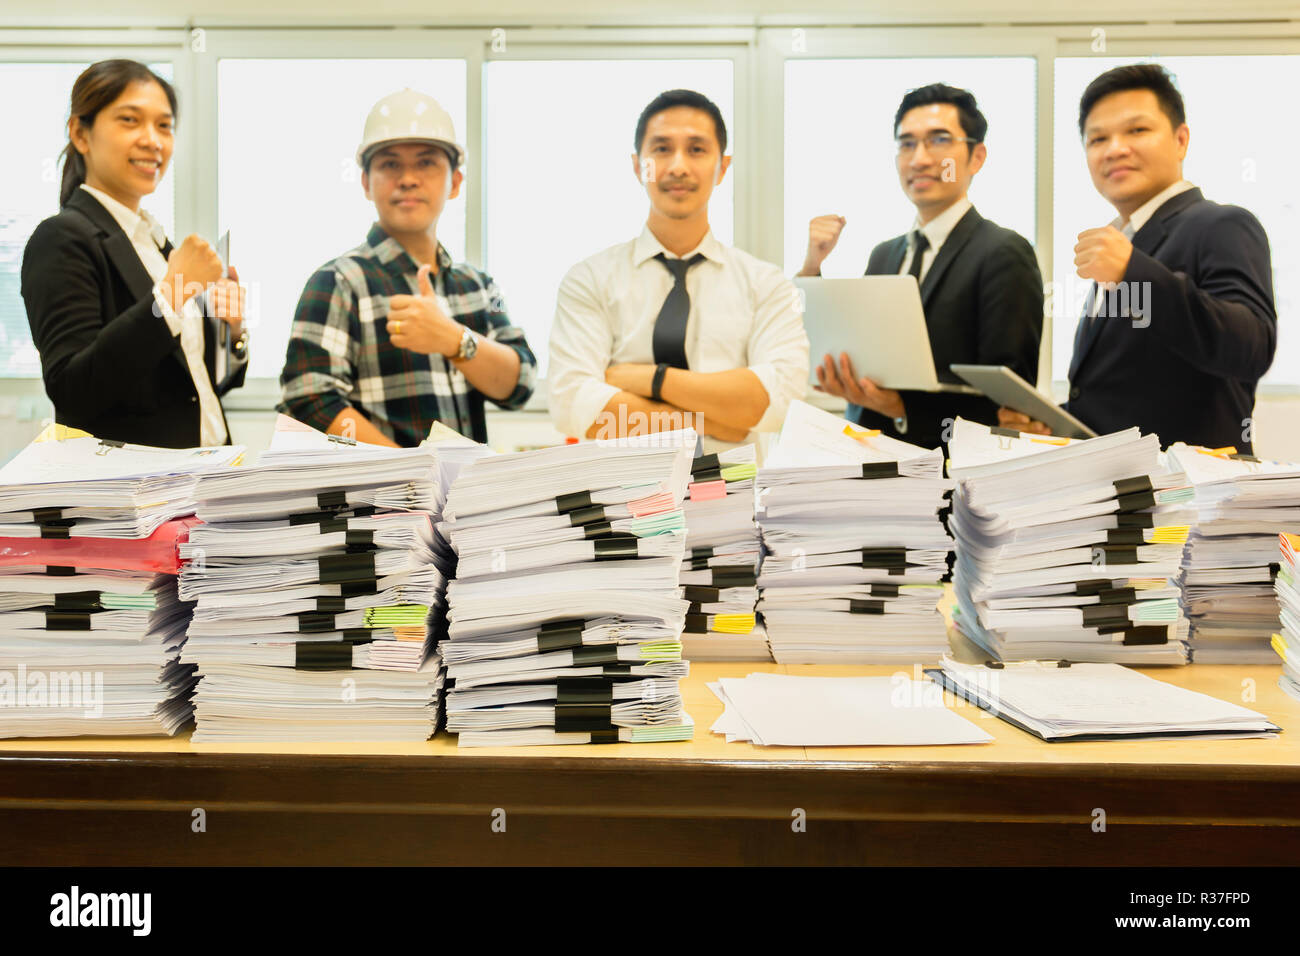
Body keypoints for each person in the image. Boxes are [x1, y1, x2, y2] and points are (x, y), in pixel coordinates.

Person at [1000, 64, 1275, 452]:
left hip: (1188, 494)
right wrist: (1054, 423)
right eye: (1097, 139)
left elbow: (1252, 347)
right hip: (1121, 491)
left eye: (1137, 130)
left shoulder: (1222, 223)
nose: (1114, 149)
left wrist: (1133, 271)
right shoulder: (1123, 241)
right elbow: (1123, 397)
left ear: (1181, 139)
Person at [547, 89, 808, 450]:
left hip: (734, 494)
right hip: (620, 495)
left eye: (697, 149)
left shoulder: (766, 284)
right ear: (639, 165)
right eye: (662, 149)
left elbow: (779, 403)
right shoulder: (589, 279)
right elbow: (573, 405)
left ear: (723, 167)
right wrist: (720, 422)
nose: (678, 166)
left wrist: (652, 380)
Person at [279, 88, 536, 447]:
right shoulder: (337, 282)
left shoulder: (480, 286)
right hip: (382, 500)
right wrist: (413, 473)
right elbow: (310, 401)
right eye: (390, 164)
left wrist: (454, 340)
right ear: (367, 182)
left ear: (456, 182)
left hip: (470, 497)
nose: (408, 178)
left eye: (427, 162)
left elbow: (520, 384)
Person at [803, 83, 1042, 452]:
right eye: (907, 143)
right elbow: (860, 353)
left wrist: (900, 407)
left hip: (950, 478)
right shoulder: (884, 255)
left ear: (976, 156)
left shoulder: (1004, 252)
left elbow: (1008, 403)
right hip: (868, 460)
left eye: (939, 140)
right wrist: (812, 266)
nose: (920, 159)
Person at [21, 59, 247, 448]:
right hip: (134, 494)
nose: (153, 140)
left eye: (164, 125)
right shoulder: (61, 238)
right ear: (80, 133)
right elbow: (73, 388)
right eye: (130, 120)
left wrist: (234, 332)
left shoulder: (154, 243)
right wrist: (174, 290)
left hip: (204, 478)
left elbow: (192, 384)